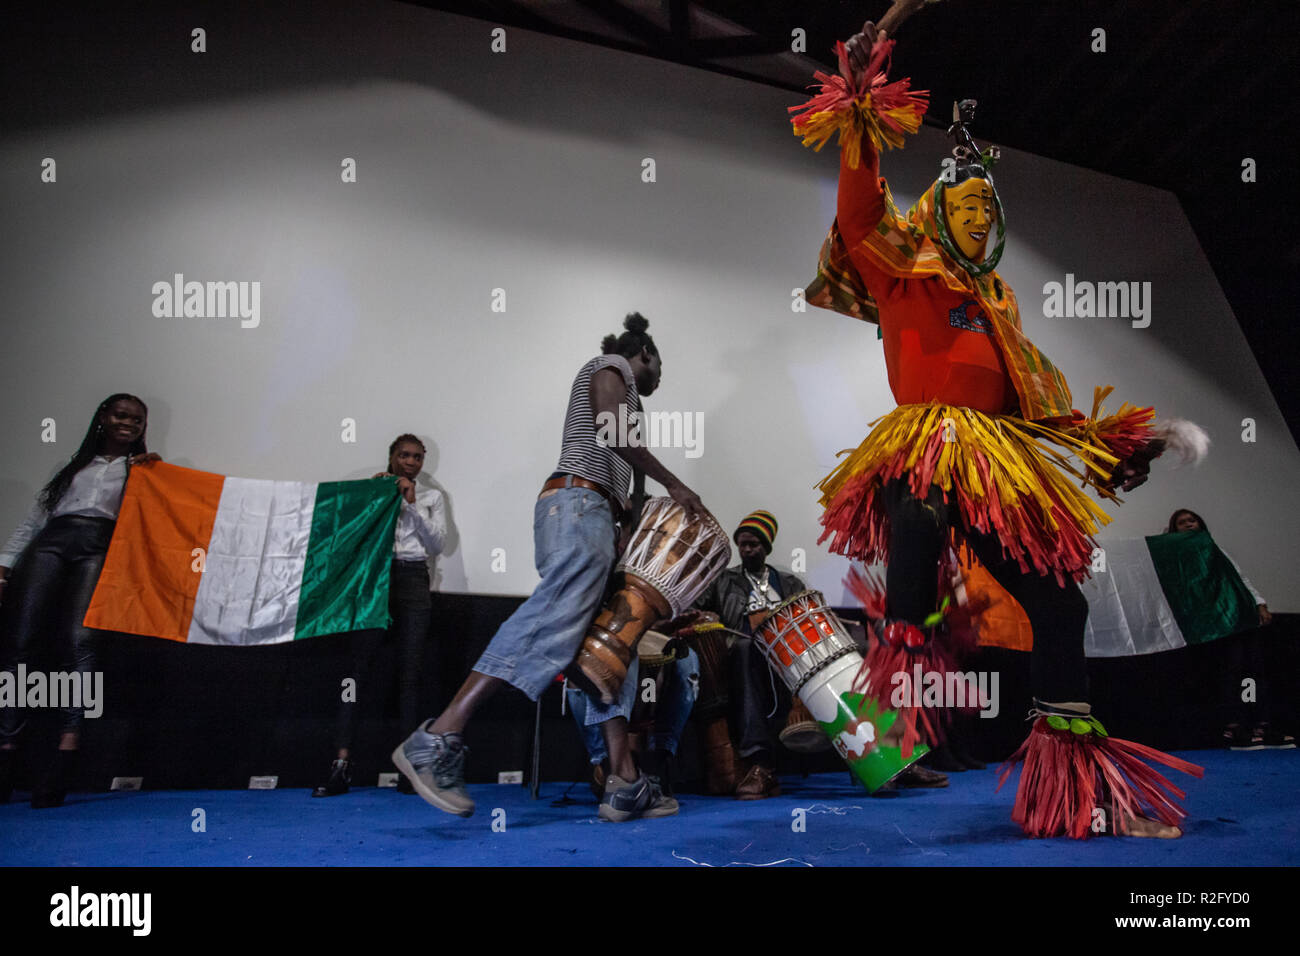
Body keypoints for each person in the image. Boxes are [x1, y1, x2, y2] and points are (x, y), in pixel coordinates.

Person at [791, 12, 1202, 838]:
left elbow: (1044, 410)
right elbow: (862, 208)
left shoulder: (1001, 307)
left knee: (1064, 612)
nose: (982, 221)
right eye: (968, 207)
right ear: (942, 211)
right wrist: (863, 98)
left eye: (991, 212)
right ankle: (887, 686)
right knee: (917, 523)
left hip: (999, 469)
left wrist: (1129, 442)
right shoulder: (905, 269)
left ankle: (1080, 790)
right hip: (925, 450)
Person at [392, 313, 715, 822]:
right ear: (645, 354)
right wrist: (676, 485)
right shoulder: (613, 368)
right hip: (577, 507)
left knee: (610, 646)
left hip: (592, 514)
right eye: (660, 366)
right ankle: (438, 737)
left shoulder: (628, 401)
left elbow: (623, 463)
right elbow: (612, 433)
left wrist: (631, 514)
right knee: (550, 617)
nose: (659, 378)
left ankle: (624, 779)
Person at [0, 393, 161, 807]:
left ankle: (66, 752)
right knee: (20, 644)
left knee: (80, 644)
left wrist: (155, 476)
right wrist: (4, 566)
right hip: (51, 545)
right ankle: (6, 753)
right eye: (121, 415)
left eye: (138, 420)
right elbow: (36, 519)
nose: (129, 424)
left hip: (99, 548)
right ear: (103, 418)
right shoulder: (71, 467)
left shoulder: (141, 469)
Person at [313, 434, 448, 797]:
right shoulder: (372, 489)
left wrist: (410, 504)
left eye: (418, 457)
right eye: (404, 455)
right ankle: (340, 765)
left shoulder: (432, 497)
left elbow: (438, 544)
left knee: (410, 673)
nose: (411, 462)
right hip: (374, 577)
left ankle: (408, 770)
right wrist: (376, 498)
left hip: (414, 577)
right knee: (355, 672)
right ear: (391, 456)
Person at [1164, 509, 1290, 750]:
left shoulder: (1215, 549)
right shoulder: (1178, 558)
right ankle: (1235, 724)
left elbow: (1240, 578)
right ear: (1174, 529)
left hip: (1241, 616)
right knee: (1229, 673)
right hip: (1215, 624)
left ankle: (1260, 724)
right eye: (1182, 523)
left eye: (1193, 520)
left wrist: (1260, 603)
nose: (1189, 525)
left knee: (1250, 673)